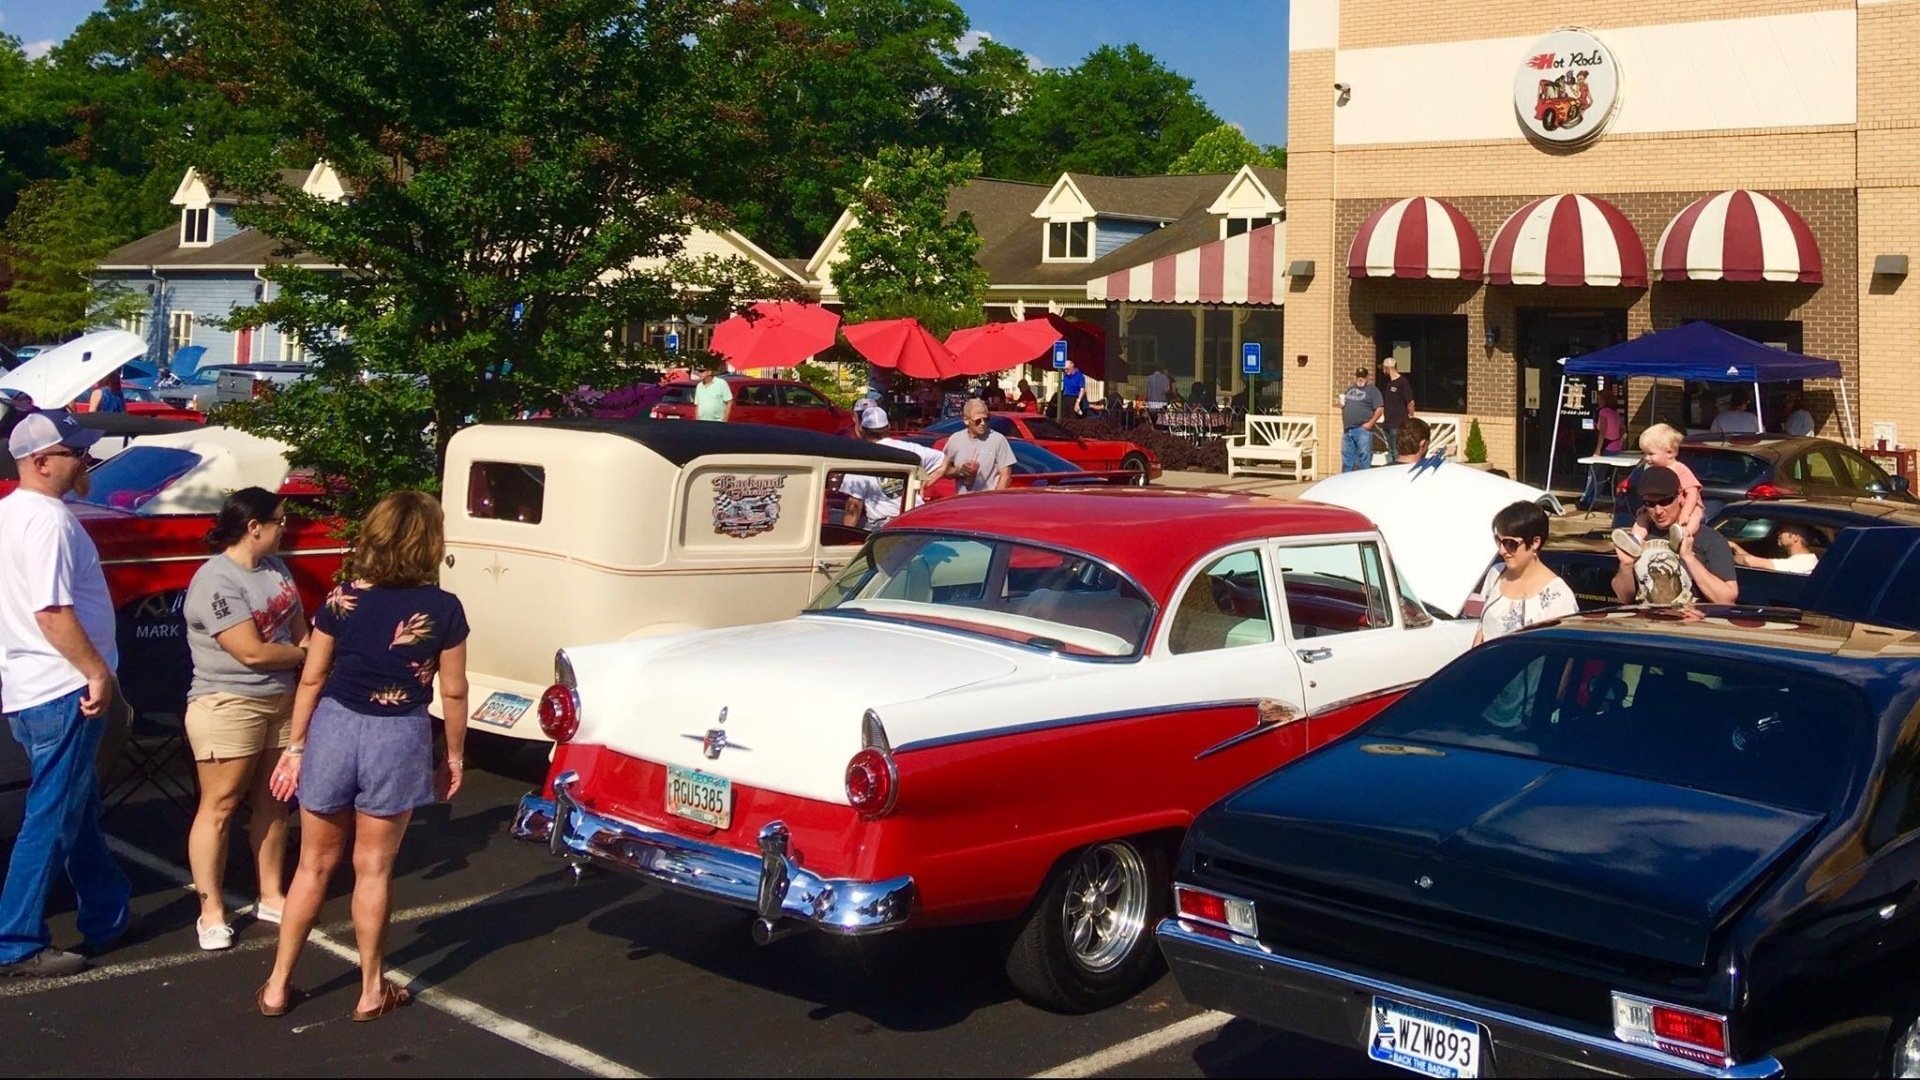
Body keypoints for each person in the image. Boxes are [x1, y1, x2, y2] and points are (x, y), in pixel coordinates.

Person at [258, 491, 469, 1021]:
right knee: (372, 867)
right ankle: (371, 989)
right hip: (397, 734)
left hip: (333, 727)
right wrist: (455, 756)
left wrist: (295, 747)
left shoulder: (340, 600)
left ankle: (278, 985)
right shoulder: (443, 609)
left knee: (312, 864)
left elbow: (311, 676)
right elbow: (455, 692)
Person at [0, 410, 133, 978]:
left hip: (29, 685)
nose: (85, 461)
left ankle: (107, 912)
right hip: (62, 686)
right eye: (75, 452)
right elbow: (52, 611)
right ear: (41, 461)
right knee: (53, 813)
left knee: (73, 808)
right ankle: (15, 939)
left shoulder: (9, 514)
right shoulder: (49, 520)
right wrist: (96, 673)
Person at [181, 487, 309, 951]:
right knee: (220, 804)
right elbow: (251, 652)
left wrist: (304, 652)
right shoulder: (215, 580)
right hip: (227, 702)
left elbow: (301, 628)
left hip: (282, 698)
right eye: (279, 520)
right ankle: (210, 911)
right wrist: (304, 656)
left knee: (276, 798)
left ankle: (270, 894)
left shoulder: (277, 569)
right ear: (254, 527)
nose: (285, 527)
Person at [1610, 465, 1738, 606]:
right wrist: (1626, 566)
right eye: (1650, 504)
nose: (1658, 511)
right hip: (1647, 624)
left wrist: (1689, 559)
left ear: (1679, 496)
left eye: (1665, 501)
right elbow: (1624, 598)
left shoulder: (1710, 539)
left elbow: (1727, 599)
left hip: (1689, 625)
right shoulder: (1639, 536)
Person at [1472, 501, 1580, 647]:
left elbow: (1564, 653)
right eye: (1499, 541)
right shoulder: (1496, 573)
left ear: (1535, 542)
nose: (1502, 551)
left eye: (1511, 544)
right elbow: (1481, 631)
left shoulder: (1559, 596)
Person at [840, 409, 945, 528]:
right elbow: (944, 460)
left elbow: (854, 505)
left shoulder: (862, 459)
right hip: (914, 519)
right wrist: (925, 483)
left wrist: (845, 536)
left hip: (884, 524)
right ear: (889, 427)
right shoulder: (911, 449)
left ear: (862, 430)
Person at [1616, 423, 1704, 556]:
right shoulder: (1653, 472)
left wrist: (1685, 513)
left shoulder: (1680, 469)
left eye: (1651, 454)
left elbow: (1692, 493)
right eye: (1645, 454)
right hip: (1666, 510)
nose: (1646, 458)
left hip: (1688, 506)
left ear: (1670, 452)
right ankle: (1636, 540)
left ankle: (1682, 537)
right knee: (1642, 518)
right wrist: (1646, 506)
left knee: (1695, 517)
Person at [934, 399, 1015, 494]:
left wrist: (995, 497)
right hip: (962, 501)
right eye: (978, 421)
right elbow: (945, 470)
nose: (983, 423)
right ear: (966, 421)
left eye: (986, 419)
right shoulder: (955, 439)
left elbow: (1005, 476)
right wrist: (959, 471)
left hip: (987, 501)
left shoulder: (998, 440)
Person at [1577, 384, 1626, 514]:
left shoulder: (1603, 412)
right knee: (1602, 474)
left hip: (1606, 447)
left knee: (1593, 474)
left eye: (1599, 398)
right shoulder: (1616, 413)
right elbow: (1623, 429)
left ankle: (1586, 499)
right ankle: (1594, 498)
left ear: (1604, 400)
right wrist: (1619, 441)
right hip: (1615, 447)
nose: (1598, 401)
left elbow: (1602, 432)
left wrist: (1598, 449)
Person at [1339, 366, 1385, 472]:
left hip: (1362, 429)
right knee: (1347, 459)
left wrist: (1370, 423)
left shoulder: (1373, 390)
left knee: (1364, 458)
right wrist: (1341, 405)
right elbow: (1343, 405)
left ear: (1367, 377)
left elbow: (1380, 409)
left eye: (1363, 377)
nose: (1360, 379)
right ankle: (1345, 482)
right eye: (1358, 376)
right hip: (1347, 430)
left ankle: (1363, 482)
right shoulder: (1350, 389)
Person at [1732, 522, 1821, 574]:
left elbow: (1748, 561)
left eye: (1782, 531)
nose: (1778, 533)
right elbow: (1756, 563)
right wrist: (1735, 547)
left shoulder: (1799, 563)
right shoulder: (1808, 560)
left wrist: (1728, 557)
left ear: (1795, 537)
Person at [1378, 357, 1415, 461]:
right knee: (1392, 452)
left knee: (1397, 451)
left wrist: (1411, 417)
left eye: (1384, 368)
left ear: (1387, 368)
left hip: (1398, 424)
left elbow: (1410, 402)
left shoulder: (1403, 382)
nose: (1383, 371)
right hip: (1388, 424)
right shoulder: (1389, 383)